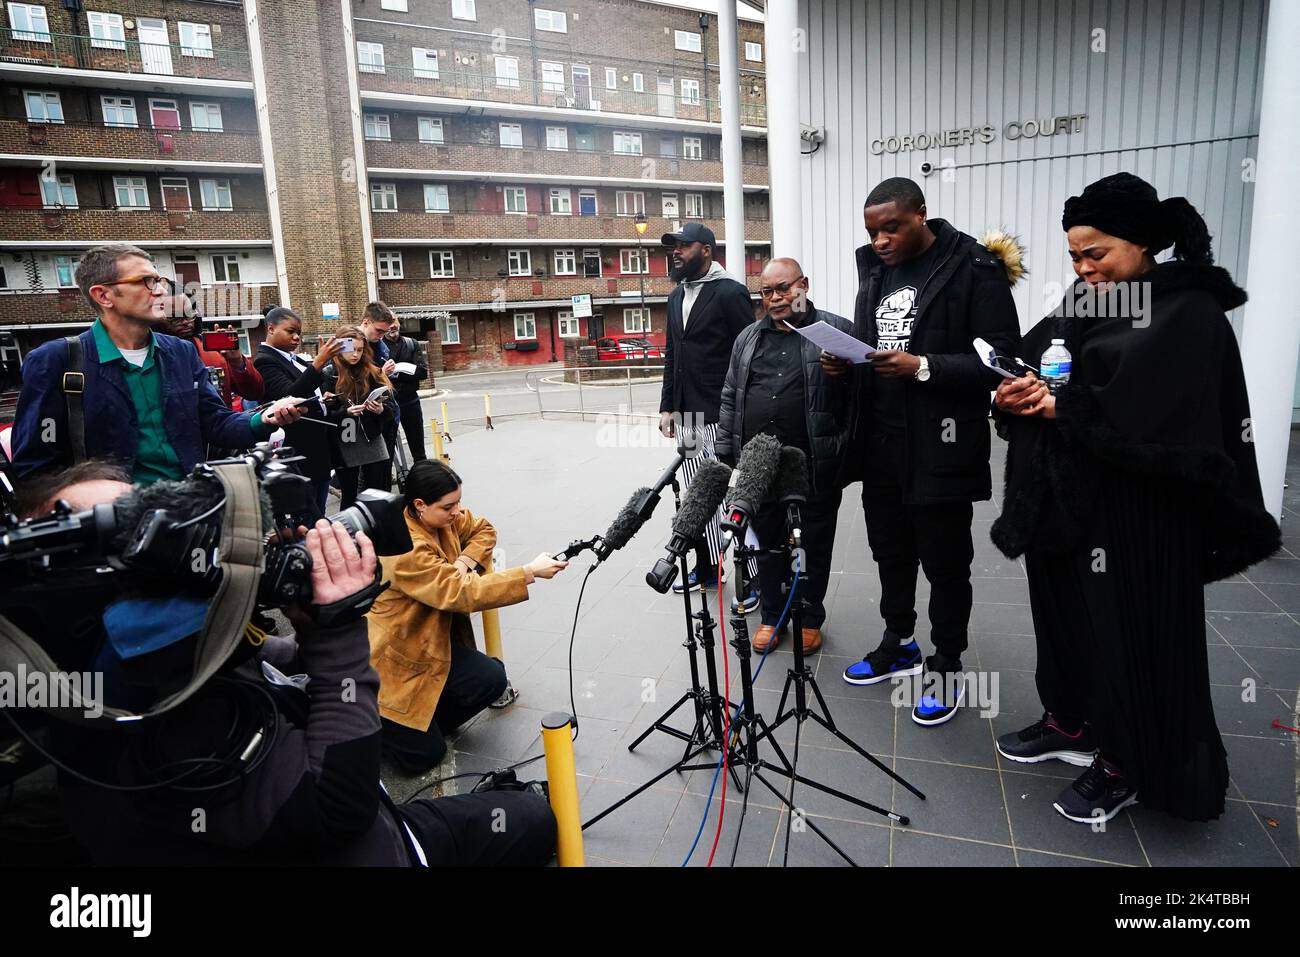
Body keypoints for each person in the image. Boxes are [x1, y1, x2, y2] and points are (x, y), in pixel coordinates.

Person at [13, 464, 555, 866]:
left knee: (523, 808)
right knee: (500, 795)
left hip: (389, 816)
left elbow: (267, 654)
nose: (161, 540)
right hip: (369, 837)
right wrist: (339, 631)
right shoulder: (151, 710)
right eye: (124, 532)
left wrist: (301, 618)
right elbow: (341, 811)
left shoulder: (172, 658)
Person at [989, 173, 1280, 824]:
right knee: (1065, 622)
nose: (1084, 268)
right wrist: (1011, 390)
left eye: (1097, 253)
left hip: (1139, 518)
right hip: (1066, 506)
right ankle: (1071, 722)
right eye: (1074, 255)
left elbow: (1157, 419)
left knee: (1129, 637)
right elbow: (1036, 355)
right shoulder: (1089, 297)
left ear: (1143, 244)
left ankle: (1129, 762)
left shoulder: (1187, 310)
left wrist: (1062, 405)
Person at [826, 178, 1022, 727]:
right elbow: (872, 347)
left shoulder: (974, 268)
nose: (881, 239)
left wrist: (924, 366)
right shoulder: (875, 271)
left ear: (922, 215)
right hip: (881, 445)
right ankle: (899, 643)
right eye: (872, 231)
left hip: (941, 448)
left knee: (945, 563)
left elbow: (1002, 358)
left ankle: (947, 663)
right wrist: (844, 365)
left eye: (891, 227)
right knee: (890, 553)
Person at [10, 243, 302, 484]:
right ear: (103, 295)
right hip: (111, 535)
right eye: (145, 282)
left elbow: (214, 422)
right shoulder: (55, 362)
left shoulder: (182, 353)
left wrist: (264, 419)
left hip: (190, 514)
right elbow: (36, 469)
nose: (161, 290)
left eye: (158, 280)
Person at [367, 460, 568, 771]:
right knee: (425, 757)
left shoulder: (442, 517)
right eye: (449, 506)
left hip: (434, 646)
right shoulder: (406, 546)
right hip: (400, 658)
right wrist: (528, 572)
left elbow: (484, 529)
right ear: (420, 505)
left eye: (458, 502)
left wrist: (462, 562)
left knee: (491, 678)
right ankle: (382, 725)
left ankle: (425, 721)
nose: (457, 512)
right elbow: (462, 593)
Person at [717, 258, 852, 655]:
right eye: (767, 291)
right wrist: (728, 452)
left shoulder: (835, 332)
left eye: (783, 289)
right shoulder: (747, 338)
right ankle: (773, 617)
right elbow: (730, 394)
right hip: (759, 465)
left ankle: (810, 618)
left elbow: (860, 397)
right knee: (768, 546)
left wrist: (843, 378)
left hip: (813, 463)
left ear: (803, 285)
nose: (775, 298)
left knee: (812, 543)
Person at [658, 221, 760, 611]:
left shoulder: (730, 292)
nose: (675, 252)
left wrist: (743, 414)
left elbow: (749, 353)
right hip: (687, 415)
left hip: (722, 414)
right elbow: (673, 354)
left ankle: (749, 577)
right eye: (673, 247)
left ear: (706, 249)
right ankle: (708, 567)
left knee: (728, 496)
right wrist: (668, 406)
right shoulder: (675, 297)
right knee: (697, 496)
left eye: (683, 246)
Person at [255, 306, 347, 517]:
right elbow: (288, 397)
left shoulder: (293, 358)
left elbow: (309, 390)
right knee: (308, 520)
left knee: (319, 513)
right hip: (298, 452)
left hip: (317, 452)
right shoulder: (264, 360)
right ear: (271, 328)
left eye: (299, 333)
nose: (297, 337)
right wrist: (319, 361)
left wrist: (324, 400)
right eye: (291, 331)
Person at [324, 324, 398, 508]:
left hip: (372, 436)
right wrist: (344, 412)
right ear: (339, 348)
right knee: (349, 496)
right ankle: (352, 533)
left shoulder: (372, 371)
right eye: (351, 350)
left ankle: (377, 532)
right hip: (345, 439)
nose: (355, 354)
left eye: (359, 350)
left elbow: (390, 408)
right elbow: (323, 415)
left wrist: (380, 409)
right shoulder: (328, 373)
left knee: (377, 493)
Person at [159, 293, 264, 410]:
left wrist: (237, 362)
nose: (185, 322)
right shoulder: (150, 355)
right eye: (175, 318)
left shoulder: (214, 353)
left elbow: (255, 392)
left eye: (189, 314)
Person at [385, 317, 429, 462]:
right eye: (388, 323)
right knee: (387, 445)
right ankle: (388, 473)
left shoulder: (411, 344)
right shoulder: (377, 346)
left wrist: (396, 374)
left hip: (410, 400)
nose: (392, 326)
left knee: (417, 443)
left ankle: (421, 472)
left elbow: (422, 372)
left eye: (394, 322)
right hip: (388, 402)